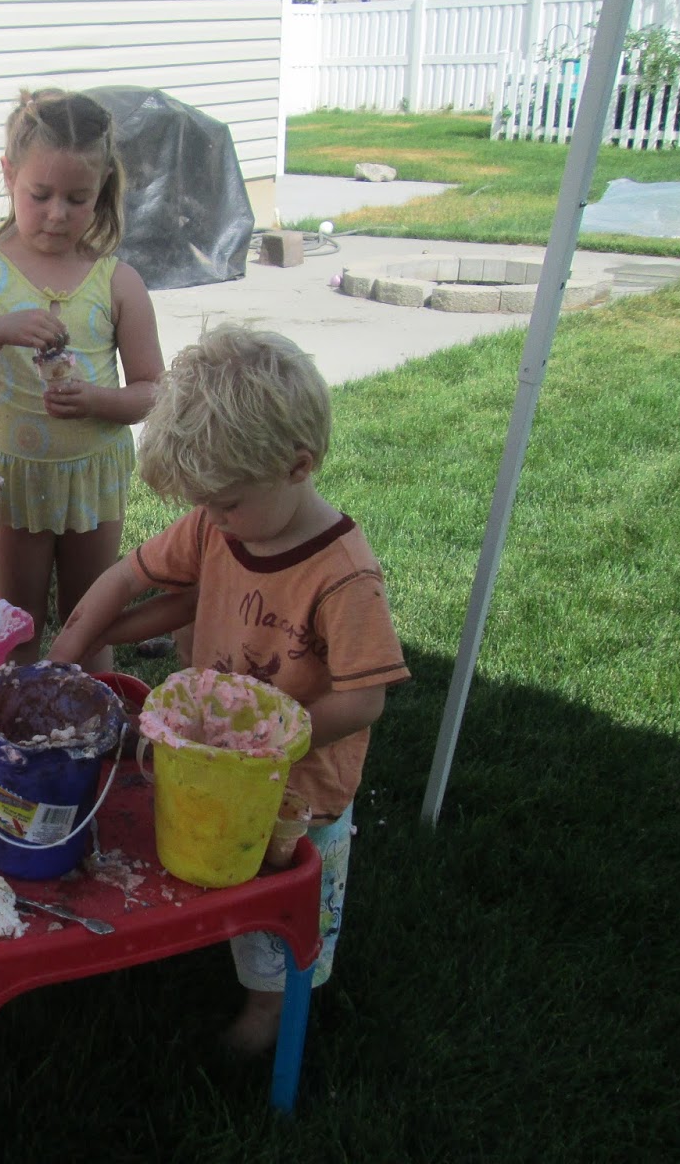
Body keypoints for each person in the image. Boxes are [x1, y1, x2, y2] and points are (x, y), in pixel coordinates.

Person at [47, 323, 410, 1057]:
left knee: (279, 909)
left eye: (227, 503)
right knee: (212, 861)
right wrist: (66, 653)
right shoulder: (223, 524)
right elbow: (127, 577)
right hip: (210, 759)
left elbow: (365, 699)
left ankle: (266, 1014)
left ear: (298, 465)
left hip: (295, 789)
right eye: (204, 504)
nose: (211, 519)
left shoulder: (343, 575)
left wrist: (264, 746)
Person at [0, 87, 163, 669]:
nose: (58, 213)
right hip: (14, 474)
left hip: (92, 474)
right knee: (19, 625)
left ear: (102, 190)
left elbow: (153, 391)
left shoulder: (116, 280)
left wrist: (96, 400)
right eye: (40, 195)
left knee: (90, 621)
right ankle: (20, 718)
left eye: (78, 198)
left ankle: (95, 717)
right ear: (9, 175)